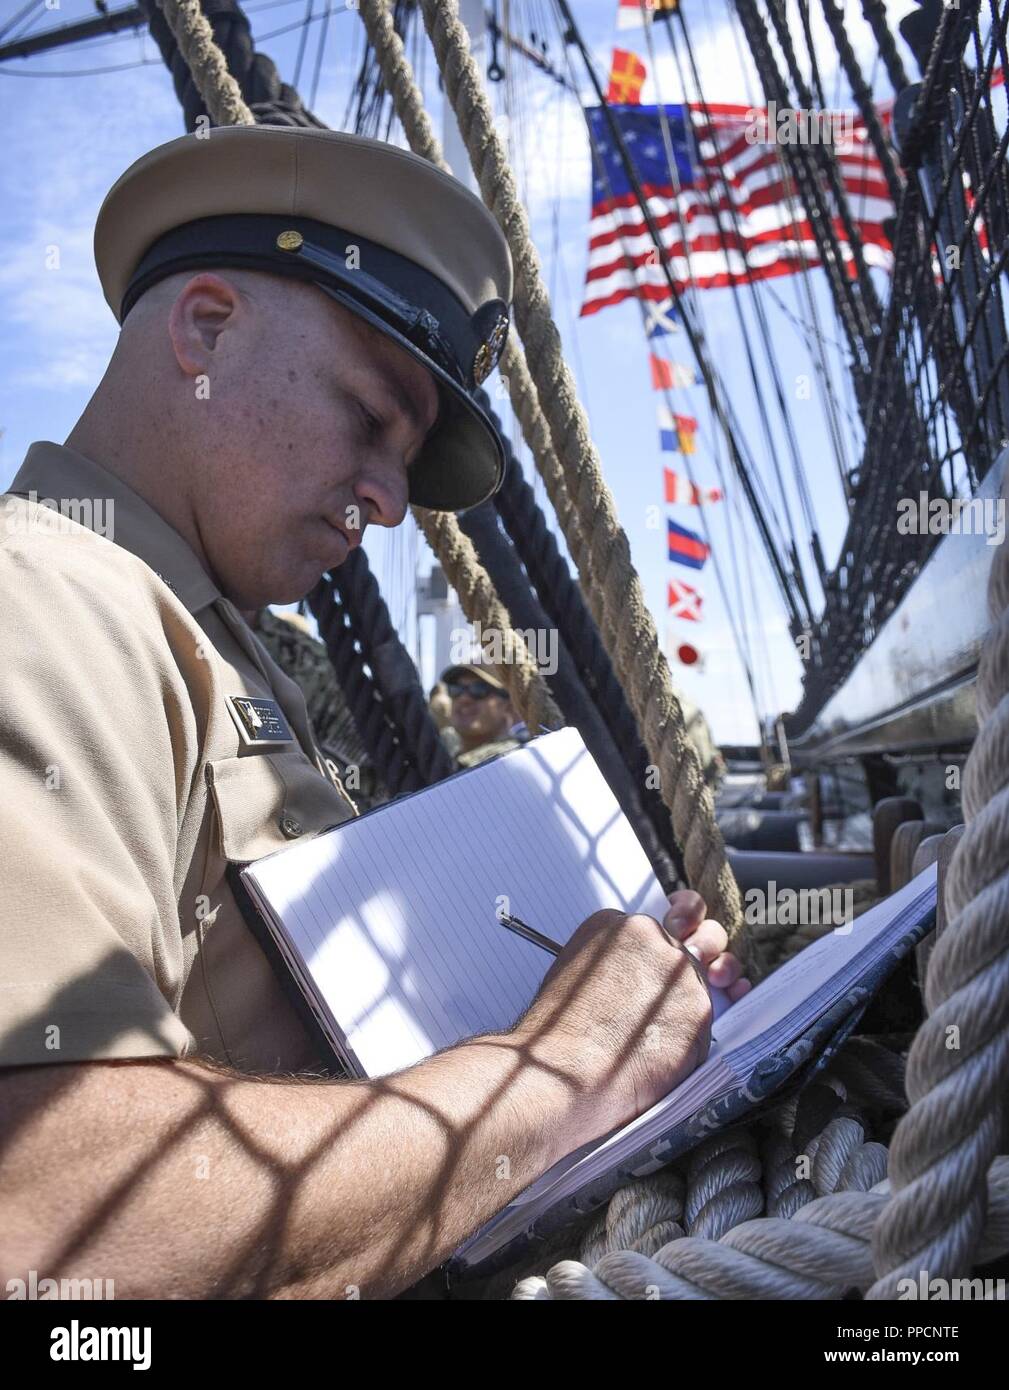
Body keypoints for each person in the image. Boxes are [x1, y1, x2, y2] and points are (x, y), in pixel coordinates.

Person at [0, 124, 748, 1299]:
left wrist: (629, 997)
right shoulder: (40, 601)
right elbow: (46, 1222)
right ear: (205, 330)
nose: (391, 504)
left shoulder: (212, 644)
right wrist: (562, 1064)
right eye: (368, 417)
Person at [440, 660, 526, 768]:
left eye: (479, 689)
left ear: (508, 706)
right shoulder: (442, 761)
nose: (464, 698)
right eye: (456, 689)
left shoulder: (513, 759)